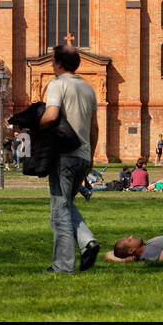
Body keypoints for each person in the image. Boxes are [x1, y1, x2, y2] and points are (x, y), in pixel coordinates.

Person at [39, 44, 100, 272]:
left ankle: (63, 265)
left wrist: (35, 125)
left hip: (63, 155)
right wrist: (91, 155)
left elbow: (52, 115)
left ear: (58, 63)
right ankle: (87, 242)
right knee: (66, 205)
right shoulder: (88, 89)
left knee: (59, 211)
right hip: (83, 157)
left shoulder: (57, 84)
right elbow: (94, 128)